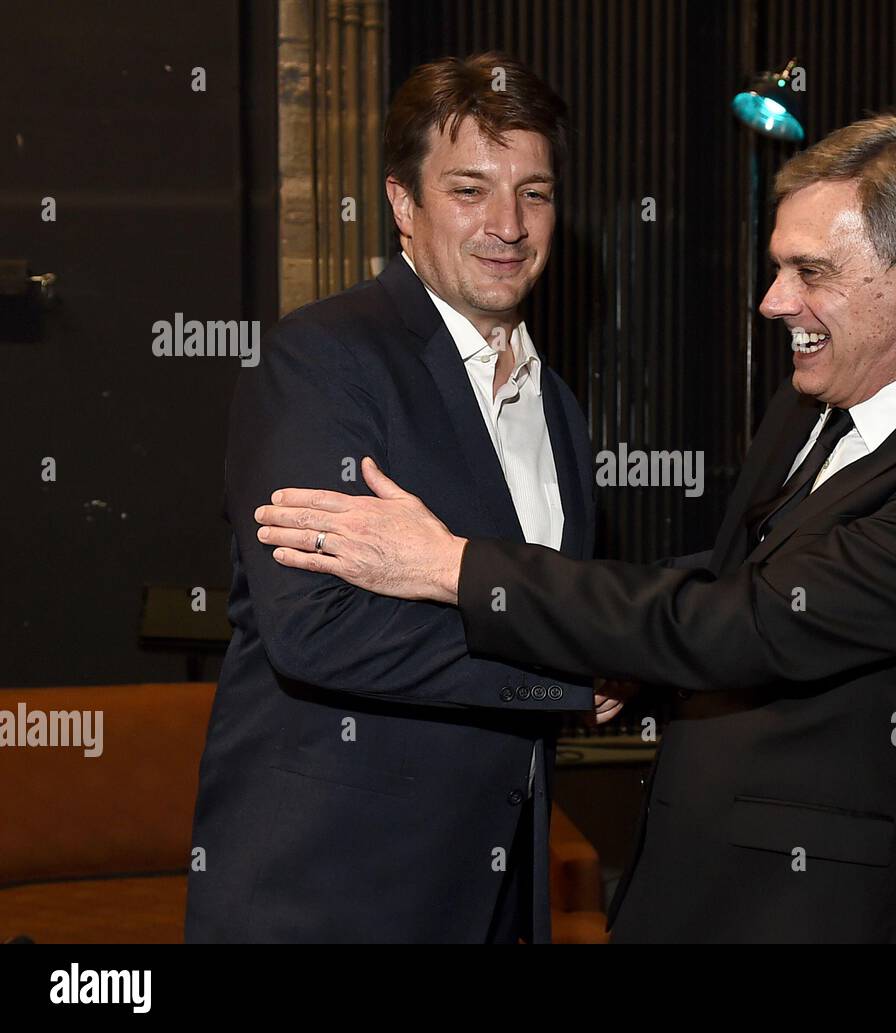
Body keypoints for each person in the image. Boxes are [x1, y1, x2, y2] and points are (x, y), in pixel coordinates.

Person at [254, 115, 896, 942]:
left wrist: (454, 565)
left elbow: (747, 622)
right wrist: (612, 654)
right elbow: (736, 570)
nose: (772, 301)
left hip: (805, 909)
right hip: (682, 877)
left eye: (810, 271)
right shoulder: (814, 399)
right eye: (776, 267)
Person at [185, 53, 596, 943]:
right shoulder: (324, 360)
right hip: (328, 898)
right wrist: (567, 674)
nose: (508, 224)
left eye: (535, 192)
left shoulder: (556, 407)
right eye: (469, 189)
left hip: (493, 899)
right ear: (403, 206)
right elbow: (317, 627)